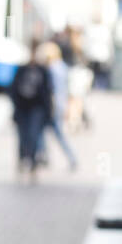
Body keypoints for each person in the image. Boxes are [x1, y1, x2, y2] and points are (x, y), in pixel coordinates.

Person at [8, 49, 53, 179]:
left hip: (36, 108)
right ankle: (22, 159)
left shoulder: (43, 71)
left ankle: (32, 162)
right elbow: (13, 88)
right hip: (22, 108)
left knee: (33, 135)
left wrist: (48, 111)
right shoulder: (22, 70)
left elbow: (47, 92)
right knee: (22, 136)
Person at [37, 41, 78, 172]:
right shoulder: (62, 67)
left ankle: (68, 158)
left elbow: (52, 90)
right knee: (47, 132)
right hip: (60, 103)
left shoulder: (52, 69)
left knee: (54, 133)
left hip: (53, 105)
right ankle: (46, 157)